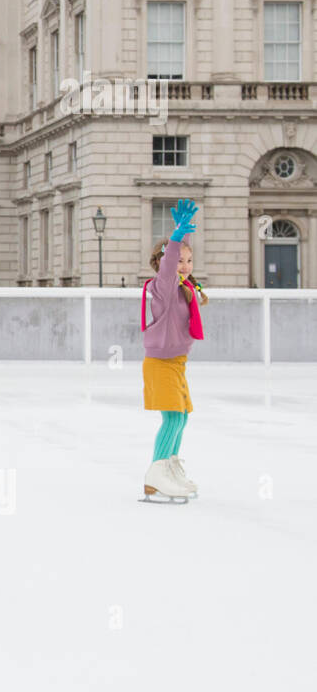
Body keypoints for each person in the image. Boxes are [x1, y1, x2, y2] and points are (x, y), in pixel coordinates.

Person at [140, 199, 208, 503]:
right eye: (179, 261)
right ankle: (156, 475)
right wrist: (177, 237)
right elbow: (171, 264)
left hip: (177, 362)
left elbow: (179, 262)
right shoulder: (162, 288)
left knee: (182, 418)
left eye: (189, 261)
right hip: (160, 362)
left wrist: (184, 237)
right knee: (171, 419)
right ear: (162, 263)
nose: (185, 266)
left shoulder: (184, 288)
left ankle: (170, 467)